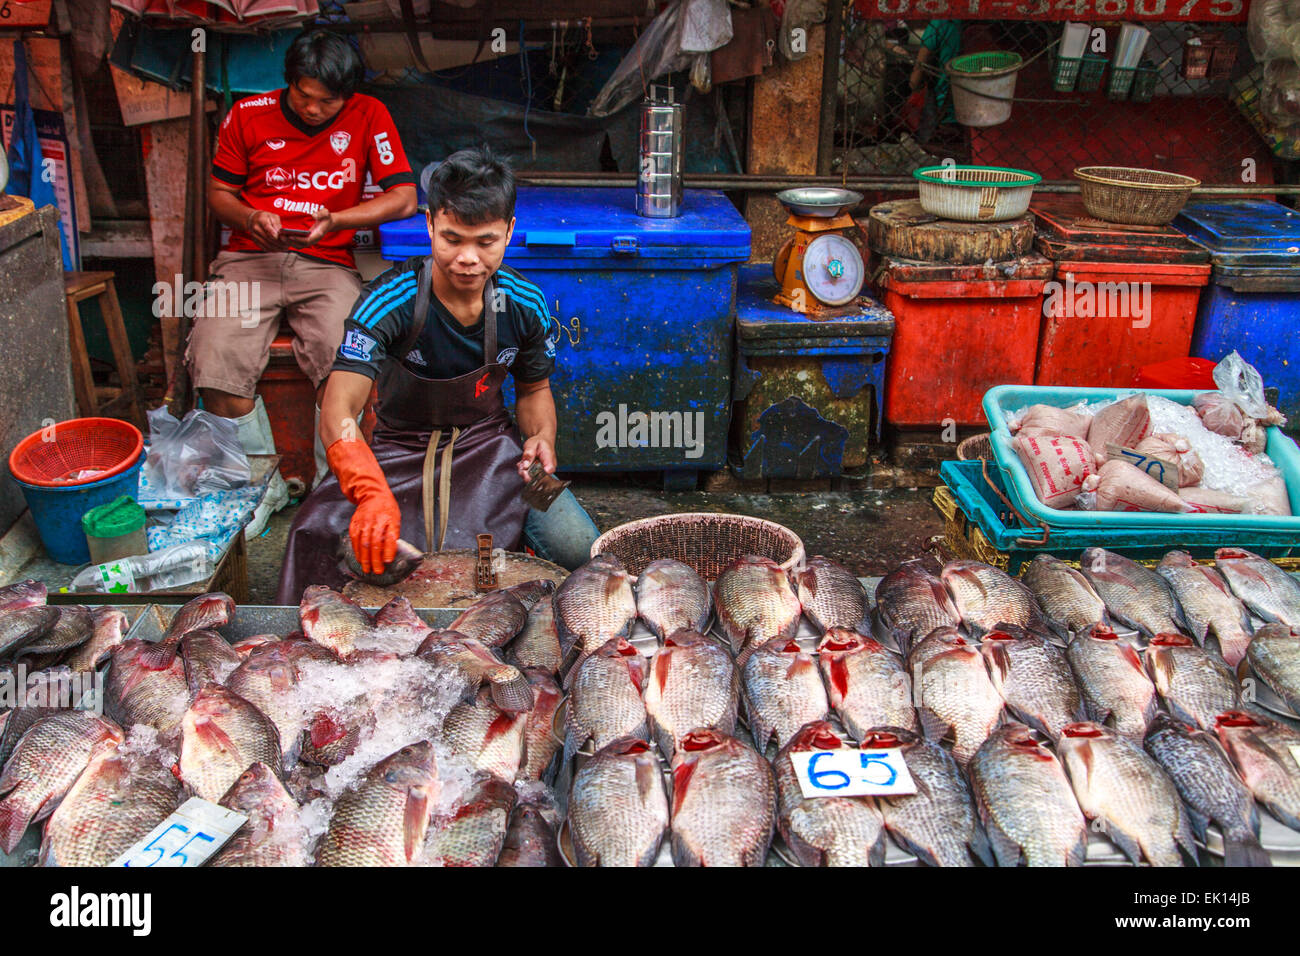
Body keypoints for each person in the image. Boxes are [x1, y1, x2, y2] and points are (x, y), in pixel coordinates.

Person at [275, 147, 599, 602]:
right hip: (395, 450)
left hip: (493, 449)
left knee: (581, 546)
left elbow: (534, 390)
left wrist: (541, 436)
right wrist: (368, 492)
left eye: (485, 242)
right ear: (429, 225)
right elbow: (338, 409)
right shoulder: (388, 300)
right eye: (451, 239)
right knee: (313, 535)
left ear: (508, 231)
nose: (468, 258)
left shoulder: (526, 304)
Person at [188, 29, 418, 525]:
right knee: (214, 354)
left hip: (329, 263)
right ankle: (262, 486)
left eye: (327, 102)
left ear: (348, 95)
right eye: (303, 96)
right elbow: (218, 194)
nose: (313, 109)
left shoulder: (369, 114)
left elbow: (404, 197)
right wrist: (250, 218)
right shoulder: (246, 115)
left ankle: (331, 486)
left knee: (346, 357)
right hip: (250, 258)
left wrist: (337, 220)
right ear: (288, 83)